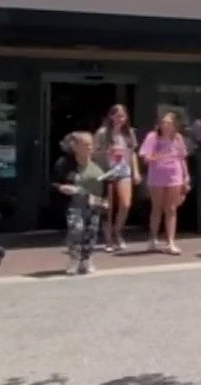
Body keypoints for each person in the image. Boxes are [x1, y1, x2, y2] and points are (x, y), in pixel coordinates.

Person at [53, 131, 114, 276]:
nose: (89, 147)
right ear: (75, 147)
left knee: (91, 232)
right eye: (85, 145)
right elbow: (54, 182)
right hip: (74, 205)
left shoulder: (99, 163)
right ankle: (74, 259)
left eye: (91, 144)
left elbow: (106, 183)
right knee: (76, 230)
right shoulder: (65, 164)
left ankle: (86, 259)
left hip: (94, 204)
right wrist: (62, 187)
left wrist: (106, 201)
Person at [140, 111, 191, 254]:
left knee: (172, 209)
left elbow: (182, 159)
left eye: (169, 122)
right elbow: (145, 157)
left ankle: (170, 242)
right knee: (156, 208)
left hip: (174, 176)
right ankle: (153, 239)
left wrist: (186, 177)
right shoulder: (153, 136)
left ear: (175, 125)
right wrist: (152, 158)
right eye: (163, 122)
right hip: (157, 176)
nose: (165, 125)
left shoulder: (178, 138)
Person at [93, 105, 140, 253]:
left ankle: (117, 231)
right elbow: (93, 150)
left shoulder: (129, 133)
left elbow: (132, 153)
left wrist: (136, 172)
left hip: (124, 171)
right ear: (111, 116)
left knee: (125, 204)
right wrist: (105, 152)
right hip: (107, 171)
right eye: (117, 115)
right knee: (109, 207)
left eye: (123, 116)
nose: (120, 119)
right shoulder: (102, 133)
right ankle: (108, 239)